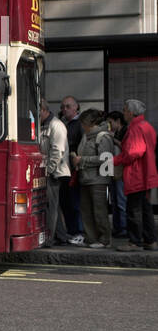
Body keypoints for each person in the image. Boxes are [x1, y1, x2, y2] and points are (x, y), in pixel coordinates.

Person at [112, 98, 158, 250]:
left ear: (131, 112)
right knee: (145, 209)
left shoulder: (135, 128)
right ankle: (150, 240)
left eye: (125, 110)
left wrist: (115, 160)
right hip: (146, 173)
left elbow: (133, 152)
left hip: (136, 175)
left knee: (134, 209)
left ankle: (134, 242)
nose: (123, 113)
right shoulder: (147, 126)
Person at [72, 109, 115, 248]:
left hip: (99, 180)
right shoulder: (86, 136)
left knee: (99, 210)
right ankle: (91, 238)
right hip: (85, 178)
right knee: (86, 210)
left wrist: (82, 160)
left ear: (90, 123)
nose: (82, 126)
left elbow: (106, 159)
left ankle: (104, 239)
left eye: (83, 123)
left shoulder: (103, 137)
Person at [39, 99, 70, 245]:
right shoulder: (45, 124)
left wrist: (48, 170)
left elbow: (58, 151)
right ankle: (61, 236)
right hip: (50, 170)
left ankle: (49, 238)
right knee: (54, 205)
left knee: (51, 206)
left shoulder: (56, 125)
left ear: (44, 110)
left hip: (55, 172)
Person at [59, 95, 84, 243]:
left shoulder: (79, 124)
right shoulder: (63, 123)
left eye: (68, 106)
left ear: (76, 107)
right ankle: (71, 230)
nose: (64, 109)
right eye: (62, 107)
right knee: (66, 202)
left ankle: (79, 231)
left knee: (76, 203)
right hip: (64, 169)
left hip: (74, 169)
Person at [107, 110, 129, 237]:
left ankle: (124, 227)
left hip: (121, 169)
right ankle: (117, 227)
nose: (109, 125)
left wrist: (113, 139)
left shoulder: (125, 131)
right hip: (113, 168)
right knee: (114, 200)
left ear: (117, 121)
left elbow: (126, 148)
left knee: (121, 200)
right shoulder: (116, 132)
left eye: (111, 122)